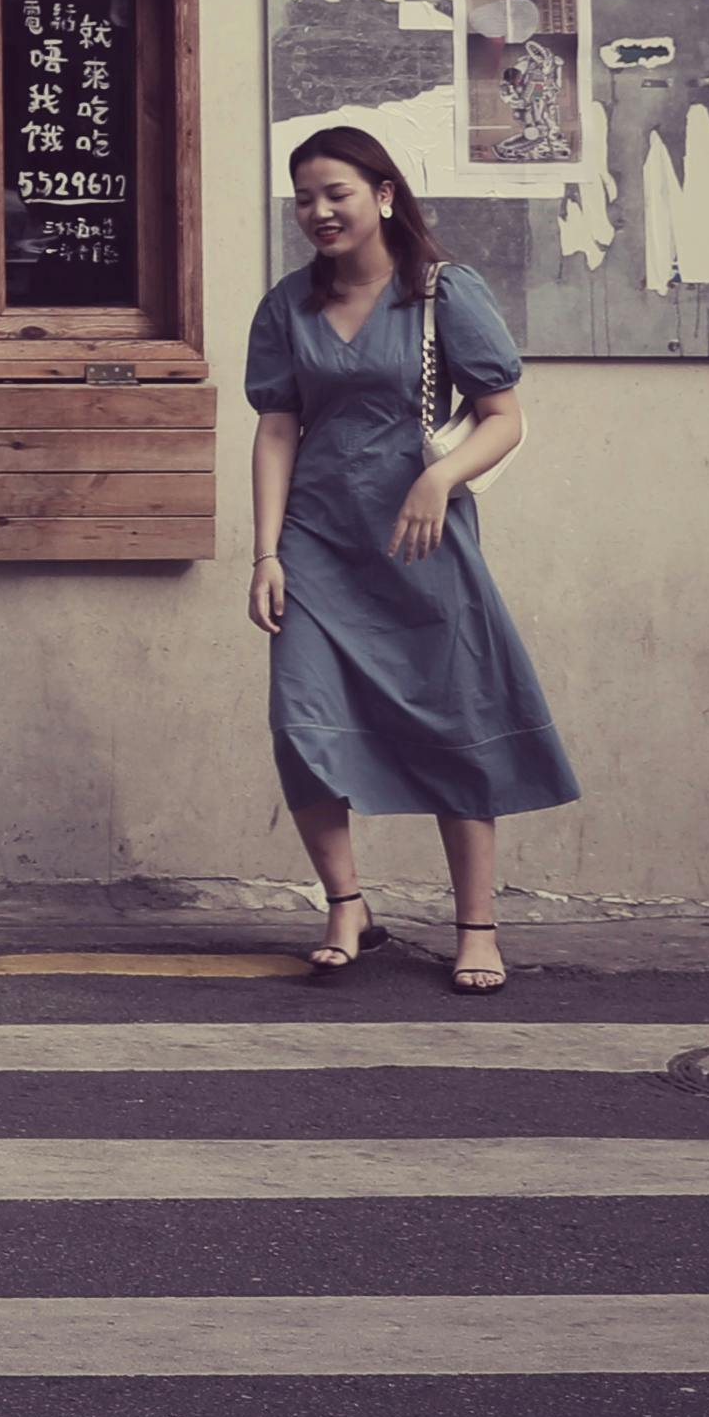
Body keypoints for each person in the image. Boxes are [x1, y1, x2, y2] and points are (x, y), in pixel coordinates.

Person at [248, 126, 580, 993]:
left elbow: (503, 415)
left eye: (336, 193)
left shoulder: (441, 294)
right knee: (300, 726)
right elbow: (276, 428)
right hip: (317, 543)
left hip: (422, 544)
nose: (318, 211)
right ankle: (346, 905)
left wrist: (439, 479)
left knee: (455, 725)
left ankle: (476, 927)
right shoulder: (287, 306)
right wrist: (263, 552)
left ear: (383, 195)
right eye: (305, 197)